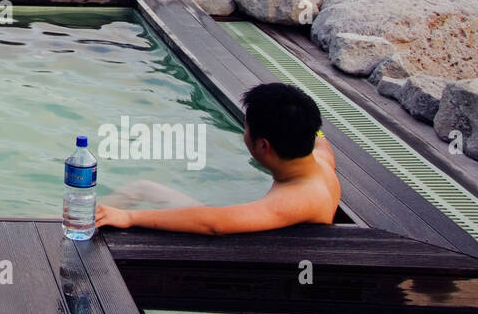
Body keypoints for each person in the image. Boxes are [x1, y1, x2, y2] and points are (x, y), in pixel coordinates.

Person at [96, 82, 340, 235]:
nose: (243, 135)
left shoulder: (297, 198)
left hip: (243, 258)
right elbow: (321, 140)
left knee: (140, 194)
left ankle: (87, 222)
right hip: (254, 226)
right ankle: (94, 215)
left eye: (246, 129)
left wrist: (129, 217)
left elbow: (215, 224)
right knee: (143, 187)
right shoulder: (319, 161)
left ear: (263, 145)